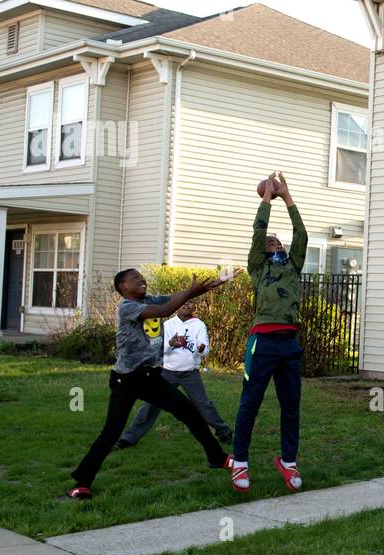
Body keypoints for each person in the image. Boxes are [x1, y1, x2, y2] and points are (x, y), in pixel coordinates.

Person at [67, 269, 231, 499]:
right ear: (124, 287)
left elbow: (172, 298)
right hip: (126, 380)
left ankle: (217, 457)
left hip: (150, 377)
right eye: (135, 278)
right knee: (111, 433)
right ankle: (82, 481)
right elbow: (165, 310)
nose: (142, 279)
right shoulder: (128, 307)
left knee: (189, 412)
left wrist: (198, 290)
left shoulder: (147, 300)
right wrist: (190, 293)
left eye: (142, 277)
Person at [230, 171, 306, 494]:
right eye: (268, 242)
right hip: (262, 342)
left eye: (277, 241)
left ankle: (288, 462)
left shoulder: (292, 266)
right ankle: (240, 462)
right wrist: (266, 198)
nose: (273, 242)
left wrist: (286, 196)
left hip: (289, 343)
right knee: (251, 402)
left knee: (291, 405)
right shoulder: (257, 267)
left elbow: (300, 232)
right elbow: (258, 230)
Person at [116, 299, 233, 449]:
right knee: (150, 405)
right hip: (167, 372)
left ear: (194, 306)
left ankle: (224, 431)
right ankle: (129, 439)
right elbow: (158, 350)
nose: (186, 305)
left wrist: (202, 348)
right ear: (177, 305)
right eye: (183, 302)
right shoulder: (168, 324)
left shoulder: (199, 324)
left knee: (203, 405)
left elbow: (205, 350)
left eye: (190, 302)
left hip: (190, 374)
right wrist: (171, 343)